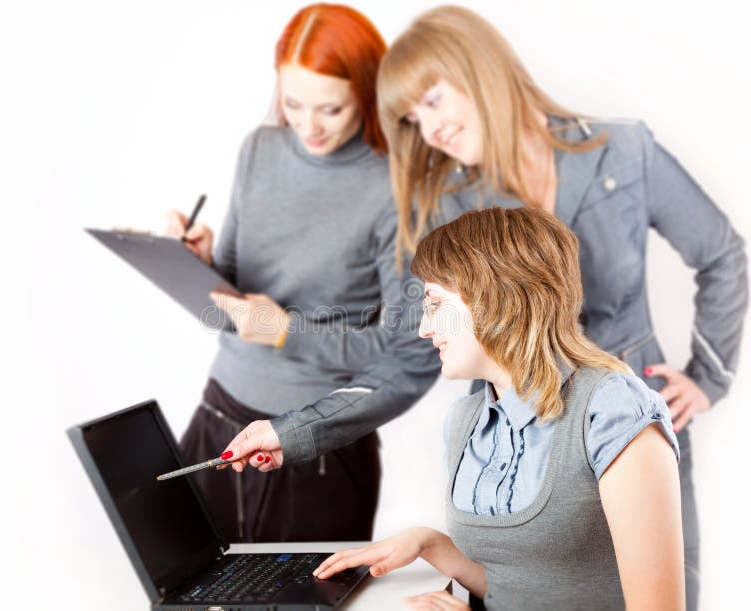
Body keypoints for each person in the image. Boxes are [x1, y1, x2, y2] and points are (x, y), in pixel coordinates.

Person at [365, 6, 746, 608]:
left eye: (433, 100)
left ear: (480, 70)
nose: (429, 129)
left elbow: (722, 254)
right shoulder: (451, 211)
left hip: (619, 417)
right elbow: (397, 339)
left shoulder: (623, 151)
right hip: (524, 422)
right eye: (413, 120)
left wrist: (708, 377)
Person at [314, 207, 685, 611]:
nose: (424, 328)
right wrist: (428, 542)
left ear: (496, 299)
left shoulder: (613, 410)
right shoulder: (466, 422)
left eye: (435, 304)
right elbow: (522, 586)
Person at [164, 3, 437, 542]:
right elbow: (231, 309)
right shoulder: (259, 149)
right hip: (219, 420)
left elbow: (409, 349)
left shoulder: (397, 188)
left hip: (316, 447)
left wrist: (288, 331)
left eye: (330, 109)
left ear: (366, 93)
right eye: (293, 103)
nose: (308, 126)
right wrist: (199, 267)